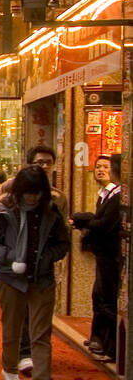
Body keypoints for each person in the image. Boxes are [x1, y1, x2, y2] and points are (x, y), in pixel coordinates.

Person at [0, 165, 71, 380]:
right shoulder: (2, 210)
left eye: (37, 192)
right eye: (28, 192)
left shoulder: (51, 212)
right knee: (13, 327)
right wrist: (11, 258)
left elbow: (63, 244)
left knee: (41, 333)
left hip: (42, 278)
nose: (32, 197)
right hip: (11, 278)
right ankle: (9, 368)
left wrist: (45, 257)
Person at [71, 153, 123, 362]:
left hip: (112, 254)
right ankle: (99, 338)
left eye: (107, 167)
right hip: (103, 253)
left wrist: (82, 222)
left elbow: (105, 224)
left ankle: (109, 344)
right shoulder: (106, 193)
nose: (102, 170)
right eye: (98, 166)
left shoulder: (119, 195)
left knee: (107, 297)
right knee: (99, 295)